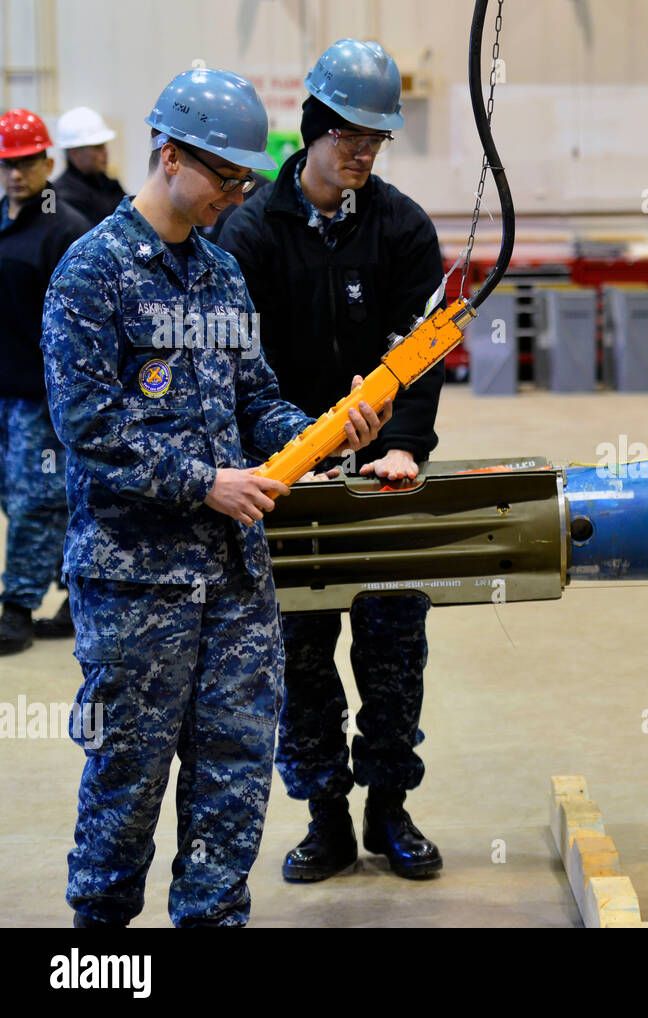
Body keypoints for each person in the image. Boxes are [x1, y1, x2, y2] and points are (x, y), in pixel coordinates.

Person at [42, 67, 391, 927]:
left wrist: (327, 429)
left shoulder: (222, 275)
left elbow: (254, 402)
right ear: (169, 156)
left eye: (244, 182)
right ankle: (101, 942)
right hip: (135, 587)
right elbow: (89, 430)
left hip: (234, 581)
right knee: (129, 775)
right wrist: (208, 483)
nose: (236, 198)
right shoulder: (91, 275)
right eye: (224, 179)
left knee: (232, 776)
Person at [218, 39, 446, 883]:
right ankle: (326, 819)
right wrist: (290, 454)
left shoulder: (403, 229)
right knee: (301, 658)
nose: (360, 152)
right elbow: (244, 370)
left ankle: (390, 809)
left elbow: (419, 353)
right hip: (286, 481)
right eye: (349, 133)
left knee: (393, 654)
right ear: (312, 125)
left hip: (381, 481)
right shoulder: (250, 234)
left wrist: (400, 447)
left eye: (376, 139)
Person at [0, 109, 90, 653]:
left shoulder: (65, 229)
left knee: (36, 499)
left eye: (27, 162)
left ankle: (16, 605)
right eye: (8, 163)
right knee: (16, 497)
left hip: (42, 396)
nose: (16, 174)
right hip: (4, 391)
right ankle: (75, 591)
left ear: (47, 162)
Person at [52, 107, 125, 226]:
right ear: (74, 153)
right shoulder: (62, 197)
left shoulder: (110, 186)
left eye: (104, 146)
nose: (105, 152)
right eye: (98, 147)